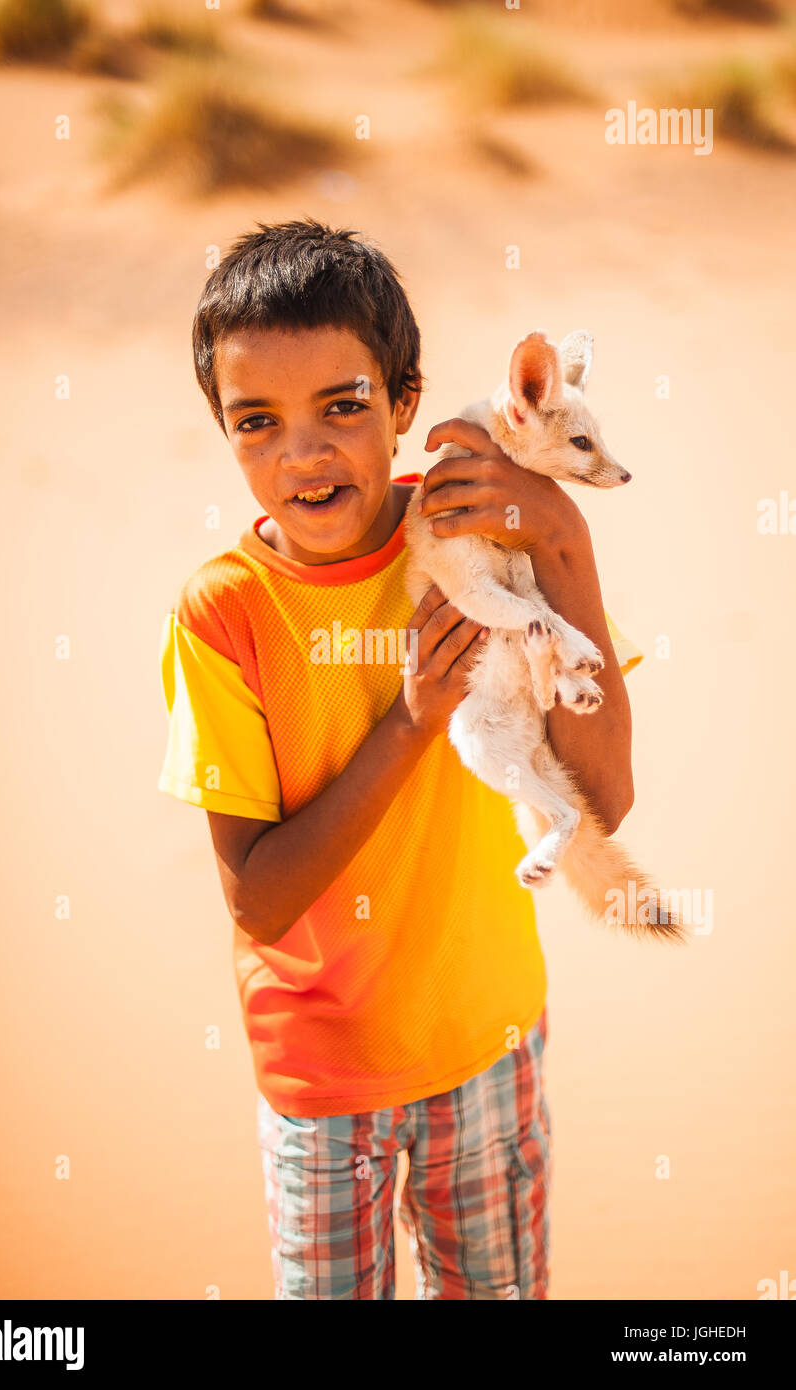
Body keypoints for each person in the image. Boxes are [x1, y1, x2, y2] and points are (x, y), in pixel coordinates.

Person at [157, 216, 642, 1299]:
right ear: (223, 431)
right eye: (256, 421)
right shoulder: (222, 615)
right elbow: (260, 901)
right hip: (321, 1089)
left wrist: (562, 540)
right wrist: (410, 722)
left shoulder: (486, 532)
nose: (304, 452)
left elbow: (599, 800)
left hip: (488, 1047)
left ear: (405, 405)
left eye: (344, 406)